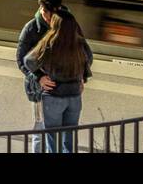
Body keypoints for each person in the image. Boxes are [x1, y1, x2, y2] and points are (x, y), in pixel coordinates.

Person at [23, 9, 93, 153]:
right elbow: (89, 59)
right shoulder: (79, 42)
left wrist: (40, 76)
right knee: (70, 137)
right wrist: (80, 77)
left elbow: (28, 61)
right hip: (74, 95)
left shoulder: (49, 41)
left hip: (53, 95)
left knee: (52, 138)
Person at [16, 0, 63, 153]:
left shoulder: (68, 25)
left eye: (48, 13)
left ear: (57, 10)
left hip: (62, 85)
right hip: (39, 88)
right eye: (43, 11)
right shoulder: (31, 29)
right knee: (40, 128)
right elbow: (21, 59)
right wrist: (39, 77)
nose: (45, 16)